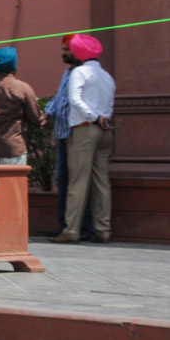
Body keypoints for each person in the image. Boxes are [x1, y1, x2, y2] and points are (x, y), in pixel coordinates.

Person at [49, 34, 116, 244]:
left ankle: (71, 230)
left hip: (84, 129)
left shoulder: (79, 72)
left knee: (77, 182)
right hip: (105, 130)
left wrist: (93, 117)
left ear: (79, 53)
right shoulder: (107, 76)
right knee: (101, 182)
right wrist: (101, 118)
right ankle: (103, 230)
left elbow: (74, 99)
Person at [43, 36, 95, 239]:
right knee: (64, 180)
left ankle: (84, 227)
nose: (63, 53)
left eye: (67, 50)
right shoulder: (68, 73)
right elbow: (60, 98)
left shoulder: (85, 73)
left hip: (77, 133)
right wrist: (48, 112)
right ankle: (67, 224)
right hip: (64, 135)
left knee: (78, 182)